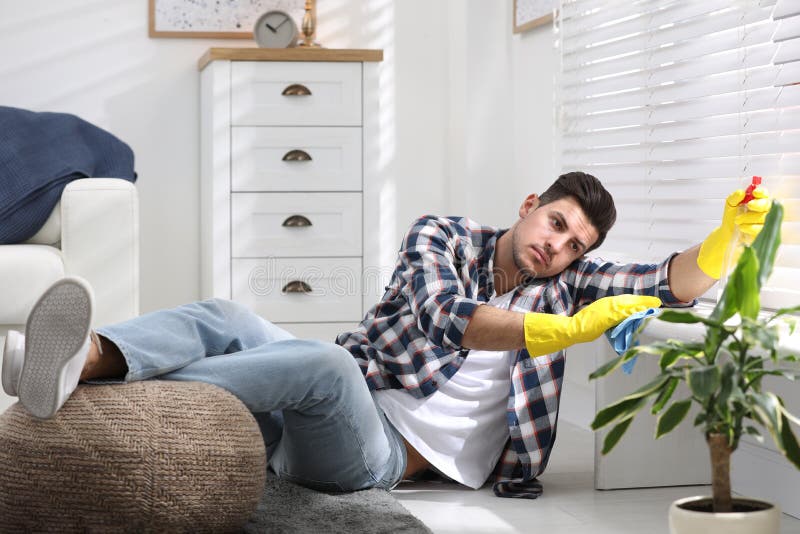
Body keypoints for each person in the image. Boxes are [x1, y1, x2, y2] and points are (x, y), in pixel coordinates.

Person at [1, 172, 771, 498]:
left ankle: (117, 407)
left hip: (376, 458)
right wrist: (560, 329)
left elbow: (670, 281)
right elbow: (446, 315)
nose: (558, 247)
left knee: (323, 367)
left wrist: (727, 239)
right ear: (533, 203)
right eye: (557, 224)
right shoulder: (443, 234)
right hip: (344, 397)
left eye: (575, 245)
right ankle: (84, 361)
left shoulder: (567, 286)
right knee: (231, 315)